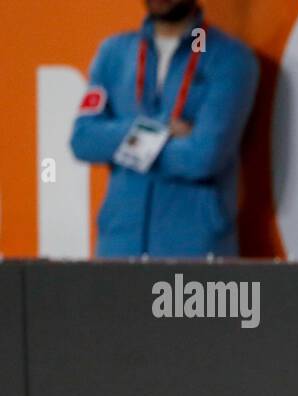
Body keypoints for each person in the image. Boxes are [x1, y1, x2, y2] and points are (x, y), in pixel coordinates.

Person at [69, 0, 258, 258]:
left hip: (196, 250)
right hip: (119, 247)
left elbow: (203, 157)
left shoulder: (230, 59)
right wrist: (162, 129)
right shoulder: (114, 53)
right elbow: (84, 140)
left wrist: (120, 144)